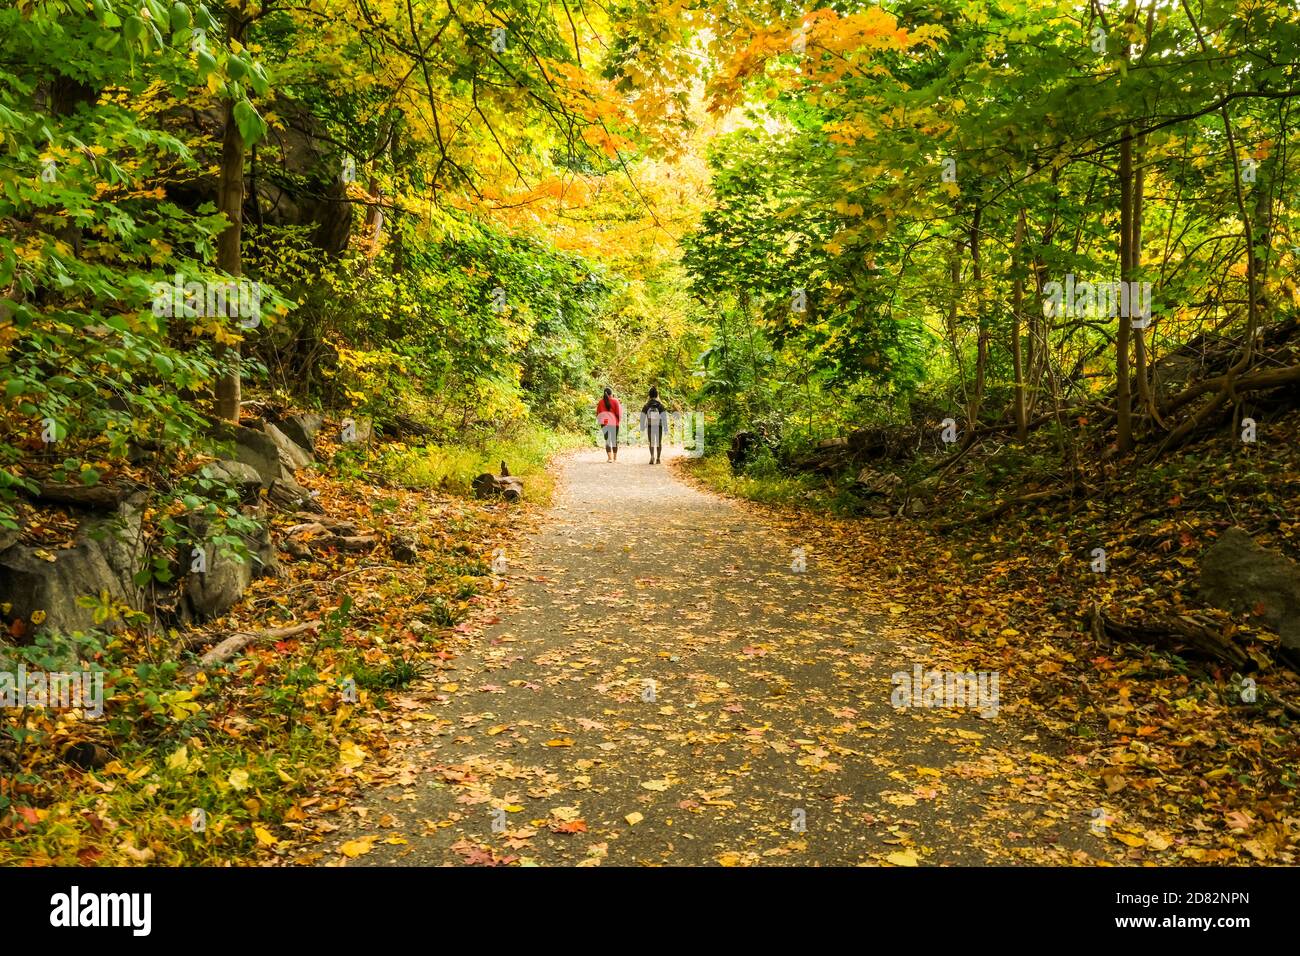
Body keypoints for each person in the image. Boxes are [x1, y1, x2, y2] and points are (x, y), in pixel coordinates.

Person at [640, 386, 668, 464]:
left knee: (651, 442)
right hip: (658, 426)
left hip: (650, 426)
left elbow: (642, 416)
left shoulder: (647, 405)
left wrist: (642, 427)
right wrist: (665, 428)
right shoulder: (660, 405)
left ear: (649, 395)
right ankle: (658, 459)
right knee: (659, 442)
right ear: (657, 395)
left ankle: (652, 456)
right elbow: (664, 417)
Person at [596, 387, 621, 462]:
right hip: (614, 423)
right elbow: (618, 413)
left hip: (605, 423)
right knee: (614, 440)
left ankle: (610, 458)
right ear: (611, 394)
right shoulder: (615, 401)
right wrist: (617, 421)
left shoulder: (600, 402)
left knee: (607, 440)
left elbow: (598, 413)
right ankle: (615, 458)